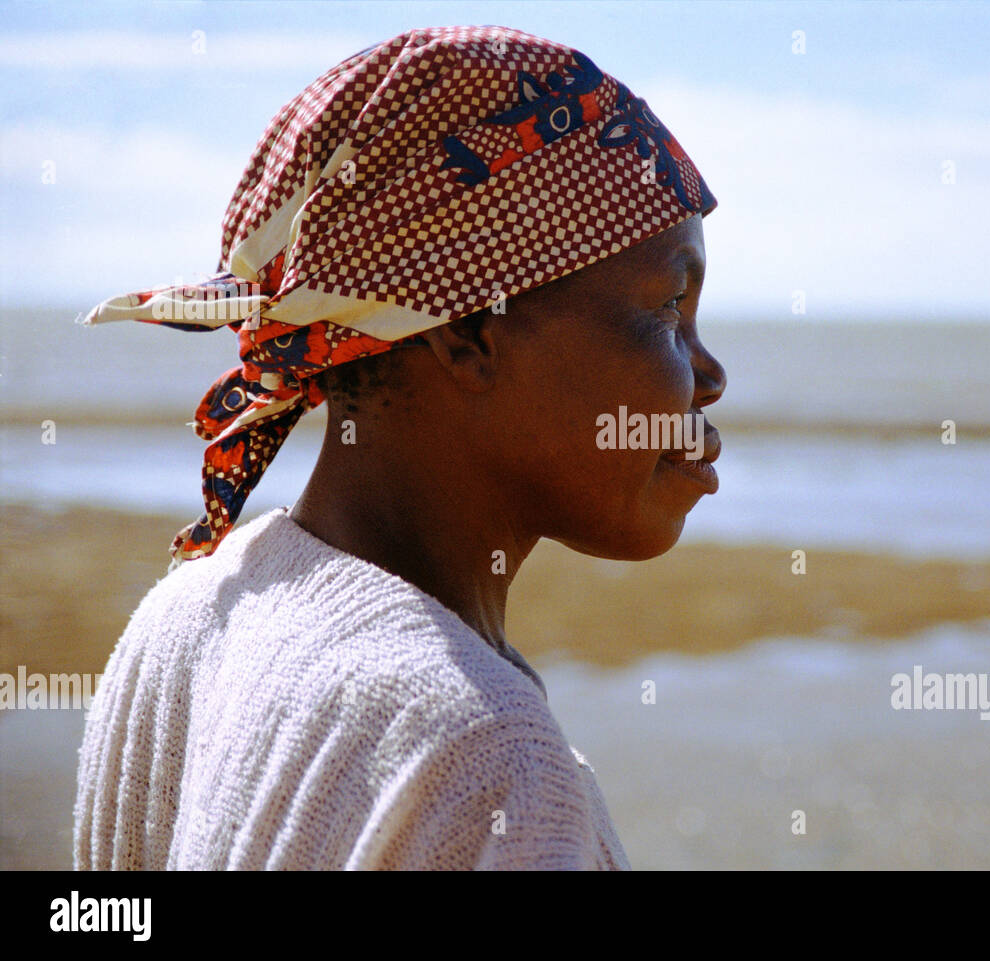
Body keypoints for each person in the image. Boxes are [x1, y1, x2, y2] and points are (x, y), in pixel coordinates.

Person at [73, 25, 724, 870]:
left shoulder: (191, 613)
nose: (708, 374)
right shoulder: (494, 764)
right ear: (468, 331)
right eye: (669, 304)